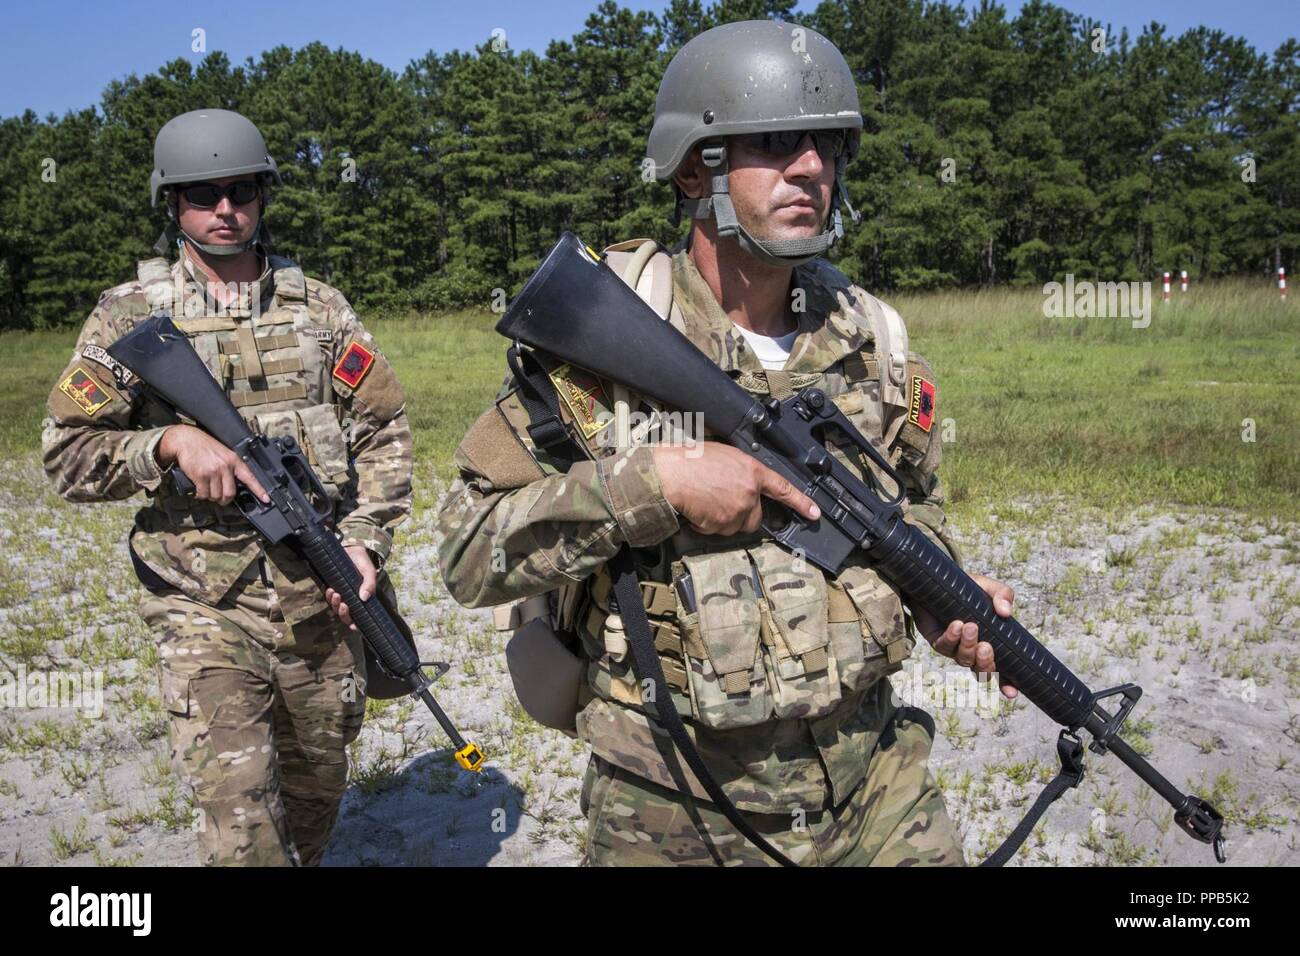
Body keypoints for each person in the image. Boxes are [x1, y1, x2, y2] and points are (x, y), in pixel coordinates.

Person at [437, 20, 1017, 866]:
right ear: (691, 169)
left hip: (874, 785)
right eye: (776, 142)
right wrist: (655, 484)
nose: (811, 167)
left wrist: (938, 585)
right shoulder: (603, 341)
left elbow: (910, 506)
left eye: (826, 145)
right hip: (674, 809)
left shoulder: (875, 340)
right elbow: (465, 554)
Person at [42, 108, 413, 866]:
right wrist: (166, 444)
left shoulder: (322, 310)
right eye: (201, 195)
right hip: (200, 602)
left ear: (262, 194)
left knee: (314, 799)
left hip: (320, 595)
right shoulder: (129, 318)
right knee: (244, 824)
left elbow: (384, 434)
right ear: (171, 204)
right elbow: (66, 455)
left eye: (240, 191)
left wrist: (364, 541)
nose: (224, 209)